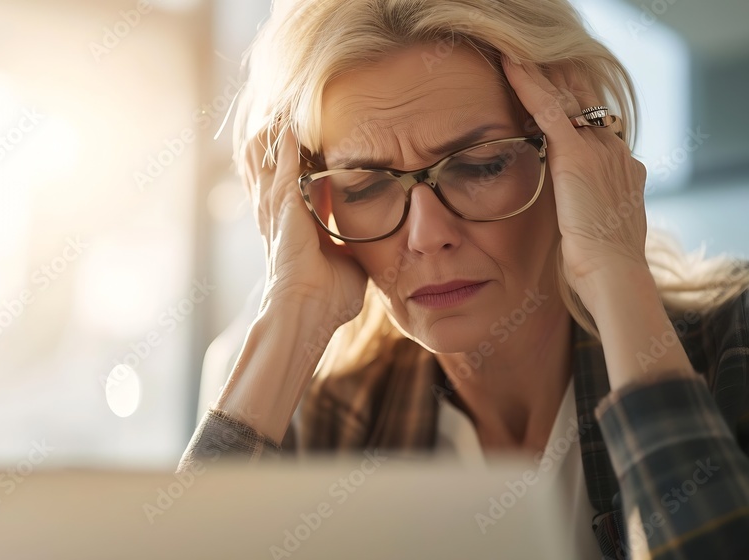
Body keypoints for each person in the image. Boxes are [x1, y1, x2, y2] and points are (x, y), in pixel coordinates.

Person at [177, 0, 749, 557]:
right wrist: (292, 311)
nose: (426, 236)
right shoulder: (314, 411)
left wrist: (614, 269)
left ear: (576, 153)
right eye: (365, 187)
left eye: (480, 164)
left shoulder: (733, 347)